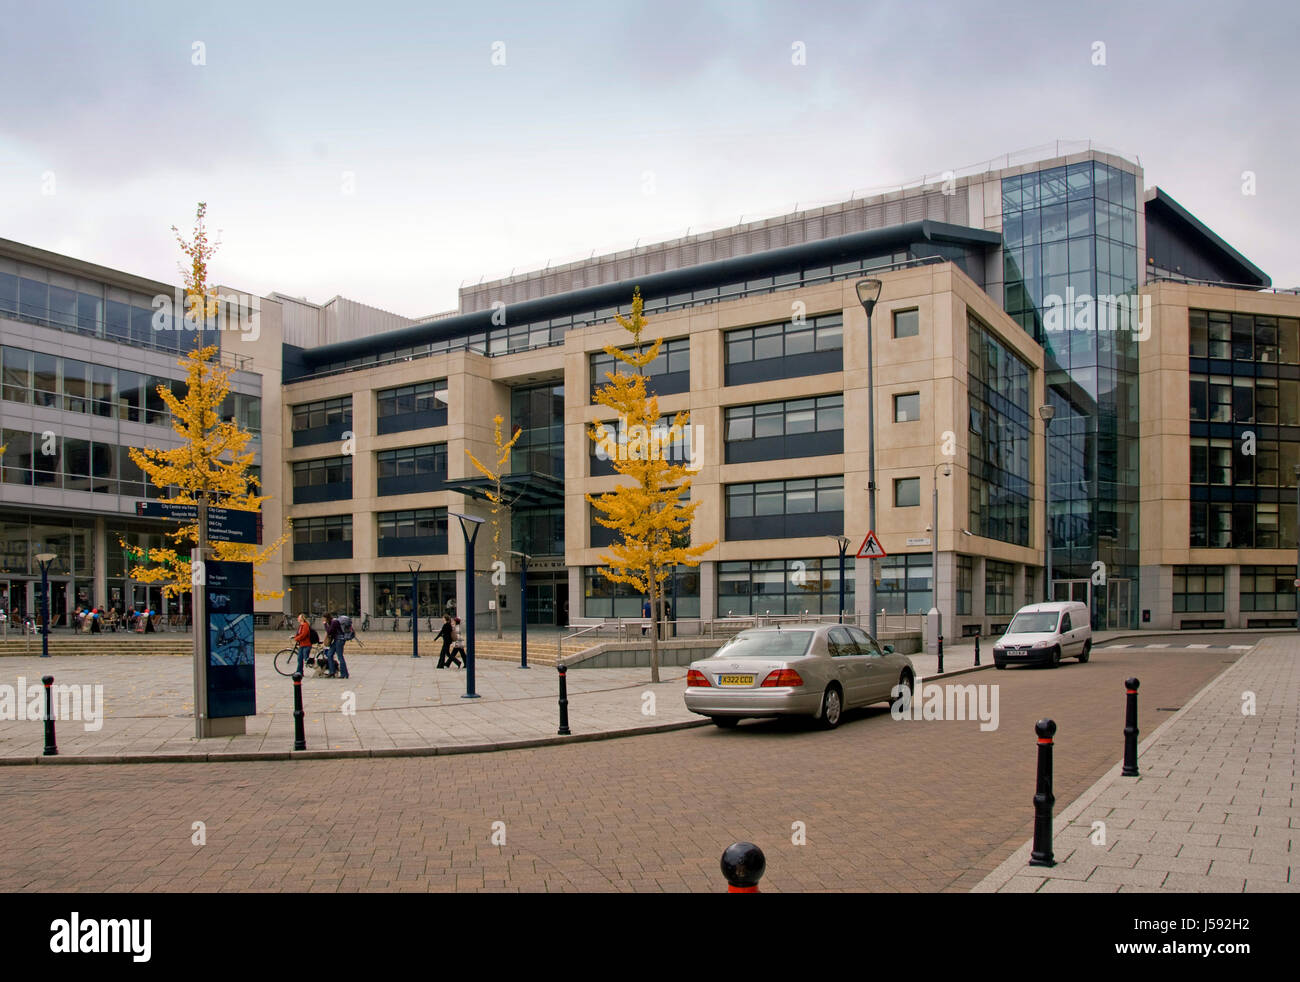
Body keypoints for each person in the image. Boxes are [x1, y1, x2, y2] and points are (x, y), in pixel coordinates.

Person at [325, 612, 349, 679]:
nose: (323, 620)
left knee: (340, 657)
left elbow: (329, 631)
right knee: (329, 654)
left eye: (324, 619)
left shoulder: (334, 622)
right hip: (336, 640)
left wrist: (325, 625)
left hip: (339, 640)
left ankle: (344, 674)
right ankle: (332, 672)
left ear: (327, 618)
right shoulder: (332, 622)